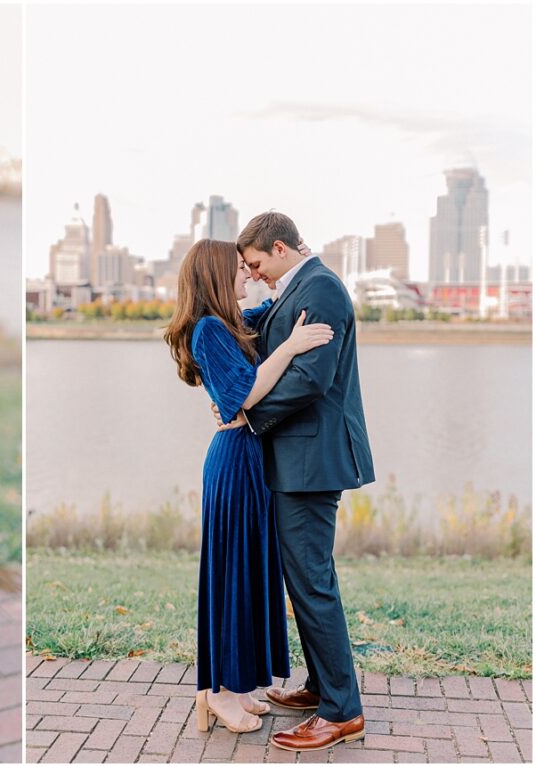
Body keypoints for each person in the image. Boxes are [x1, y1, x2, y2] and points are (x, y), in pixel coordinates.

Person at [164, 239, 334, 734]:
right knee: (230, 576)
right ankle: (216, 692)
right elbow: (242, 396)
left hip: (249, 459)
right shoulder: (209, 329)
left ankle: (234, 687)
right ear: (218, 274)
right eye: (241, 269)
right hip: (234, 459)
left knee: (247, 573)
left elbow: (271, 307)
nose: (248, 276)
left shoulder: (231, 324)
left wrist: (299, 266)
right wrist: (290, 348)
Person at [225, 210, 376, 752]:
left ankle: (342, 712)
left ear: (281, 248)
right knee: (304, 580)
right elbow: (270, 339)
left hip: (310, 463)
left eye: (257, 262)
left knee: (312, 582)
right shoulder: (300, 288)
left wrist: (250, 416)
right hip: (296, 460)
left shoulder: (323, 289)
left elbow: (313, 379)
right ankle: (320, 686)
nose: (256, 272)